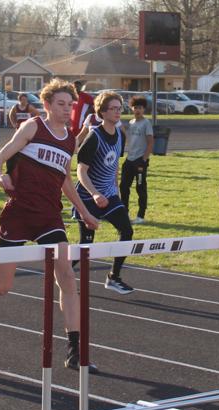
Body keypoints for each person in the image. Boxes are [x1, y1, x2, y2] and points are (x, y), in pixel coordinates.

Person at [0, 79, 100, 371]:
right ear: (48, 105)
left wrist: (85, 213)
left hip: (49, 217)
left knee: (66, 276)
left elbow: (65, 179)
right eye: (61, 105)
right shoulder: (33, 127)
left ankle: (75, 349)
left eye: (71, 105)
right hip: (18, 213)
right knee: (2, 288)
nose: (67, 110)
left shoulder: (69, 138)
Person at [73, 91, 135, 294]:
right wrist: (94, 194)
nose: (118, 112)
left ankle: (113, 277)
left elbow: (115, 163)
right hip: (88, 196)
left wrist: (114, 189)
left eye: (120, 108)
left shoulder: (119, 135)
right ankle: (63, 270)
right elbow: (81, 171)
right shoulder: (93, 137)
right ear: (102, 111)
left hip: (109, 194)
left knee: (127, 230)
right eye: (114, 108)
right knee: (86, 244)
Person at [119, 95, 153, 223]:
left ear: (144, 109)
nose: (137, 110)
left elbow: (150, 142)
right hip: (129, 160)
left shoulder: (146, 123)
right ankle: (124, 213)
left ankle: (140, 216)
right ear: (132, 109)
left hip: (140, 161)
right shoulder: (131, 123)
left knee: (140, 187)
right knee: (123, 187)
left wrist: (144, 159)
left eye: (140, 108)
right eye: (135, 107)